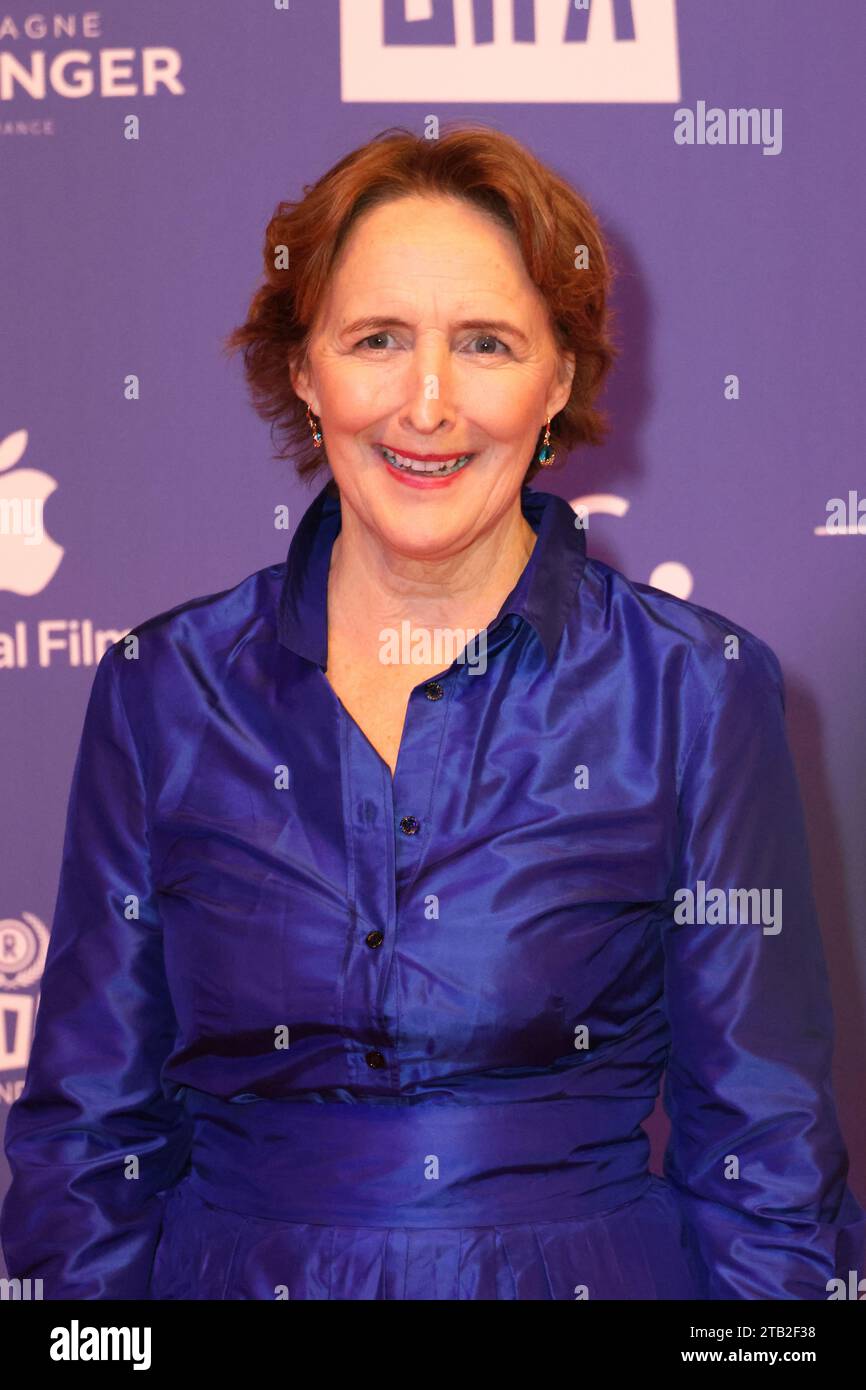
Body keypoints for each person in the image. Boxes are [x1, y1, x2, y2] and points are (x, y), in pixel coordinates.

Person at [2, 125, 863, 1300]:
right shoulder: (164, 686)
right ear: (303, 369)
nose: (426, 401)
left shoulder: (694, 690)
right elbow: (89, 1137)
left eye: (485, 344)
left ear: (558, 377)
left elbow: (760, 1152)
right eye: (377, 340)